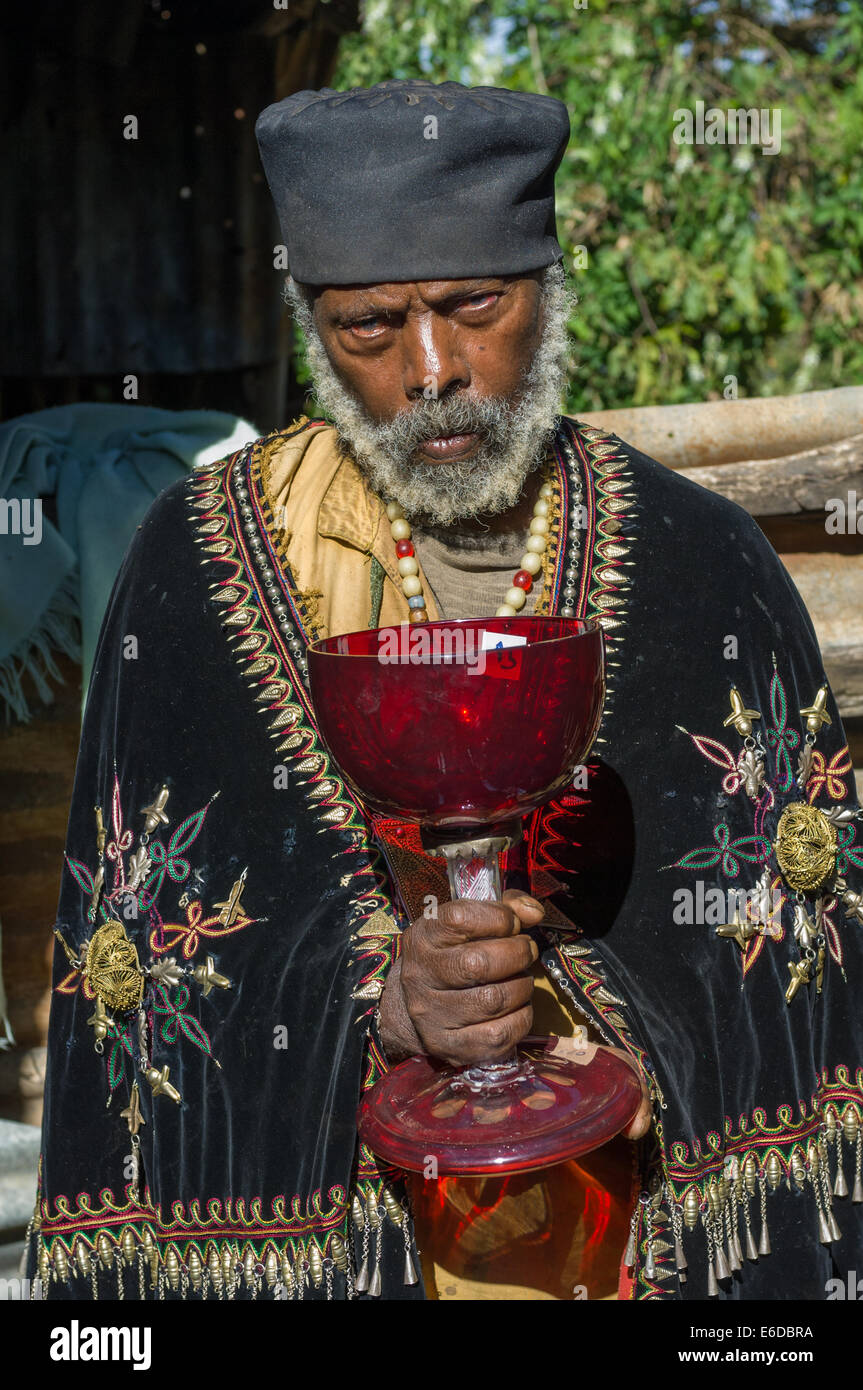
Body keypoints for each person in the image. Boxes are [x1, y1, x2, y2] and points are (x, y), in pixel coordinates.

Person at [26, 79, 863, 1302]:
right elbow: (141, 976)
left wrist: (565, 1014)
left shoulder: (704, 566)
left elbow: (792, 971)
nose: (432, 369)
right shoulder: (194, 568)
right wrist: (382, 1003)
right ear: (315, 329)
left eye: (474, 305)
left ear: (547, 286)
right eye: (369, 328)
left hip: (627, 1257)